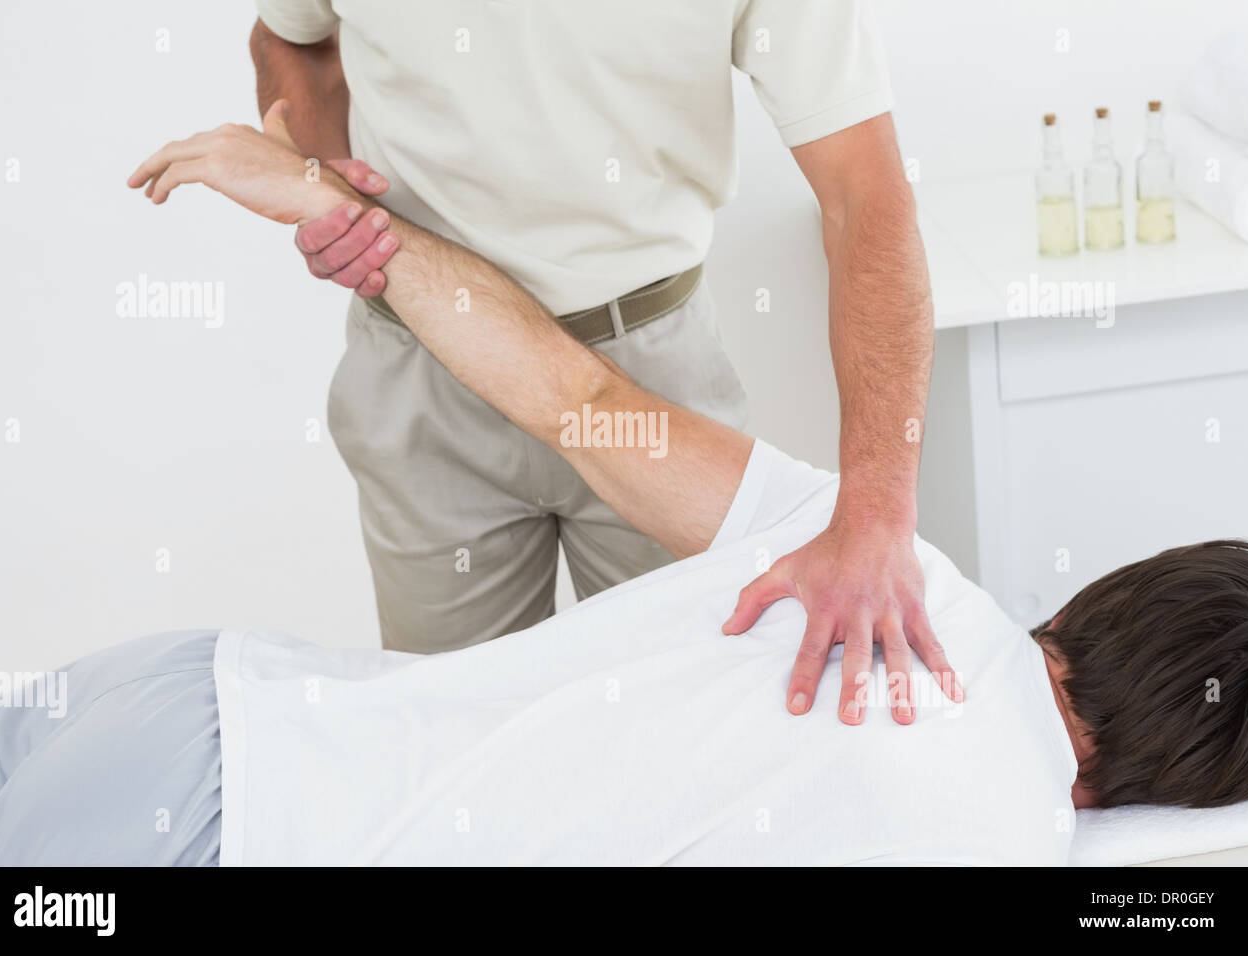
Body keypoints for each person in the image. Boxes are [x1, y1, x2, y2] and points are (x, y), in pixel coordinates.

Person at [0, 114, 1248, 866]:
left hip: (185, 693)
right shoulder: (992, 840)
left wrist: (316, 195)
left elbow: (567, 398)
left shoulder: (876, 557)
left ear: (1113, 597)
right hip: (208, 842)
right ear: (1196, 781)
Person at [248, 2, 942, 724]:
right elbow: (291, 38)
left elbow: (865, 194)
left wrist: (876, 518)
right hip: (423, 363)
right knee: (450, 739)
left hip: (652, 379)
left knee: (690, 732)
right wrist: (321, 177)